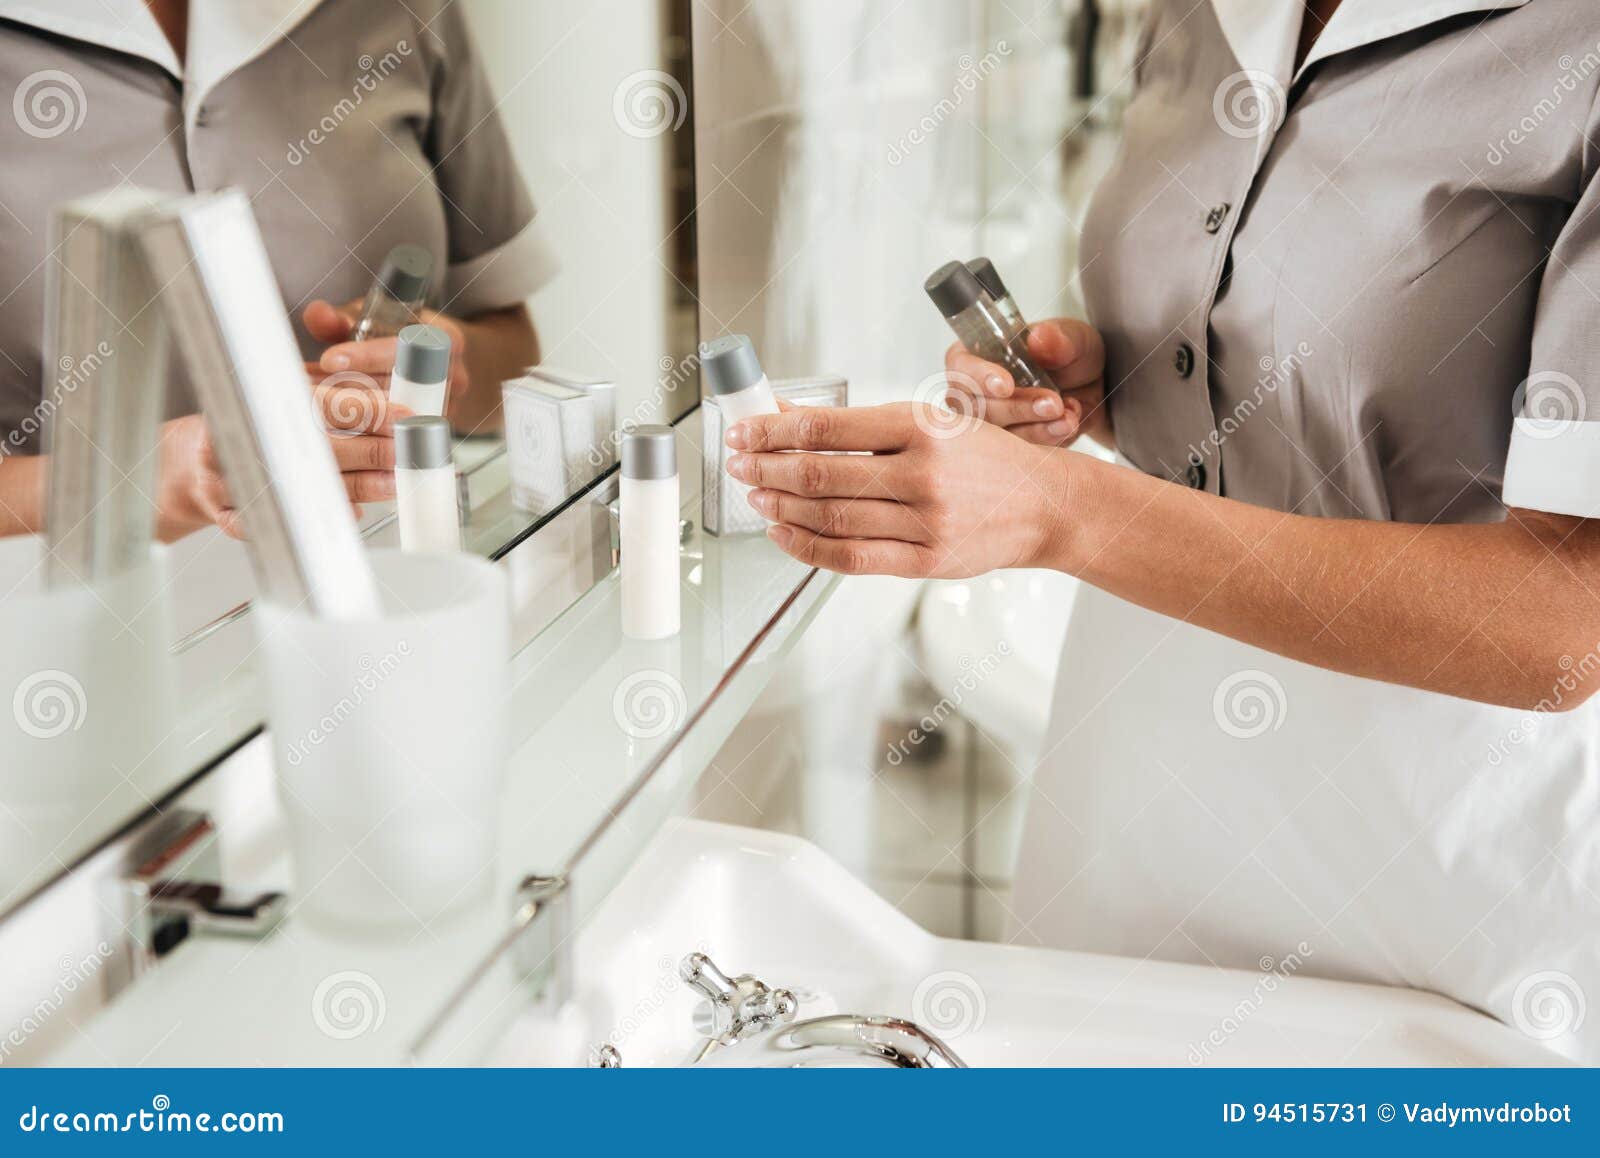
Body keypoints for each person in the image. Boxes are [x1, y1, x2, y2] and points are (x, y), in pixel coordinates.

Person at [722, 0, 1600, 1061]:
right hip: (1133, 786)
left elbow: (1561, 622)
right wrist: (1121, 382)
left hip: (1434, 847)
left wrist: (1061, 509)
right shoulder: (1189, 13)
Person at [0, 0, 554, 539]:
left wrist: (449, 370)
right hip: (65, 609)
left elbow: (514, 354)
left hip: (389, 577)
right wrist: (146, 477)